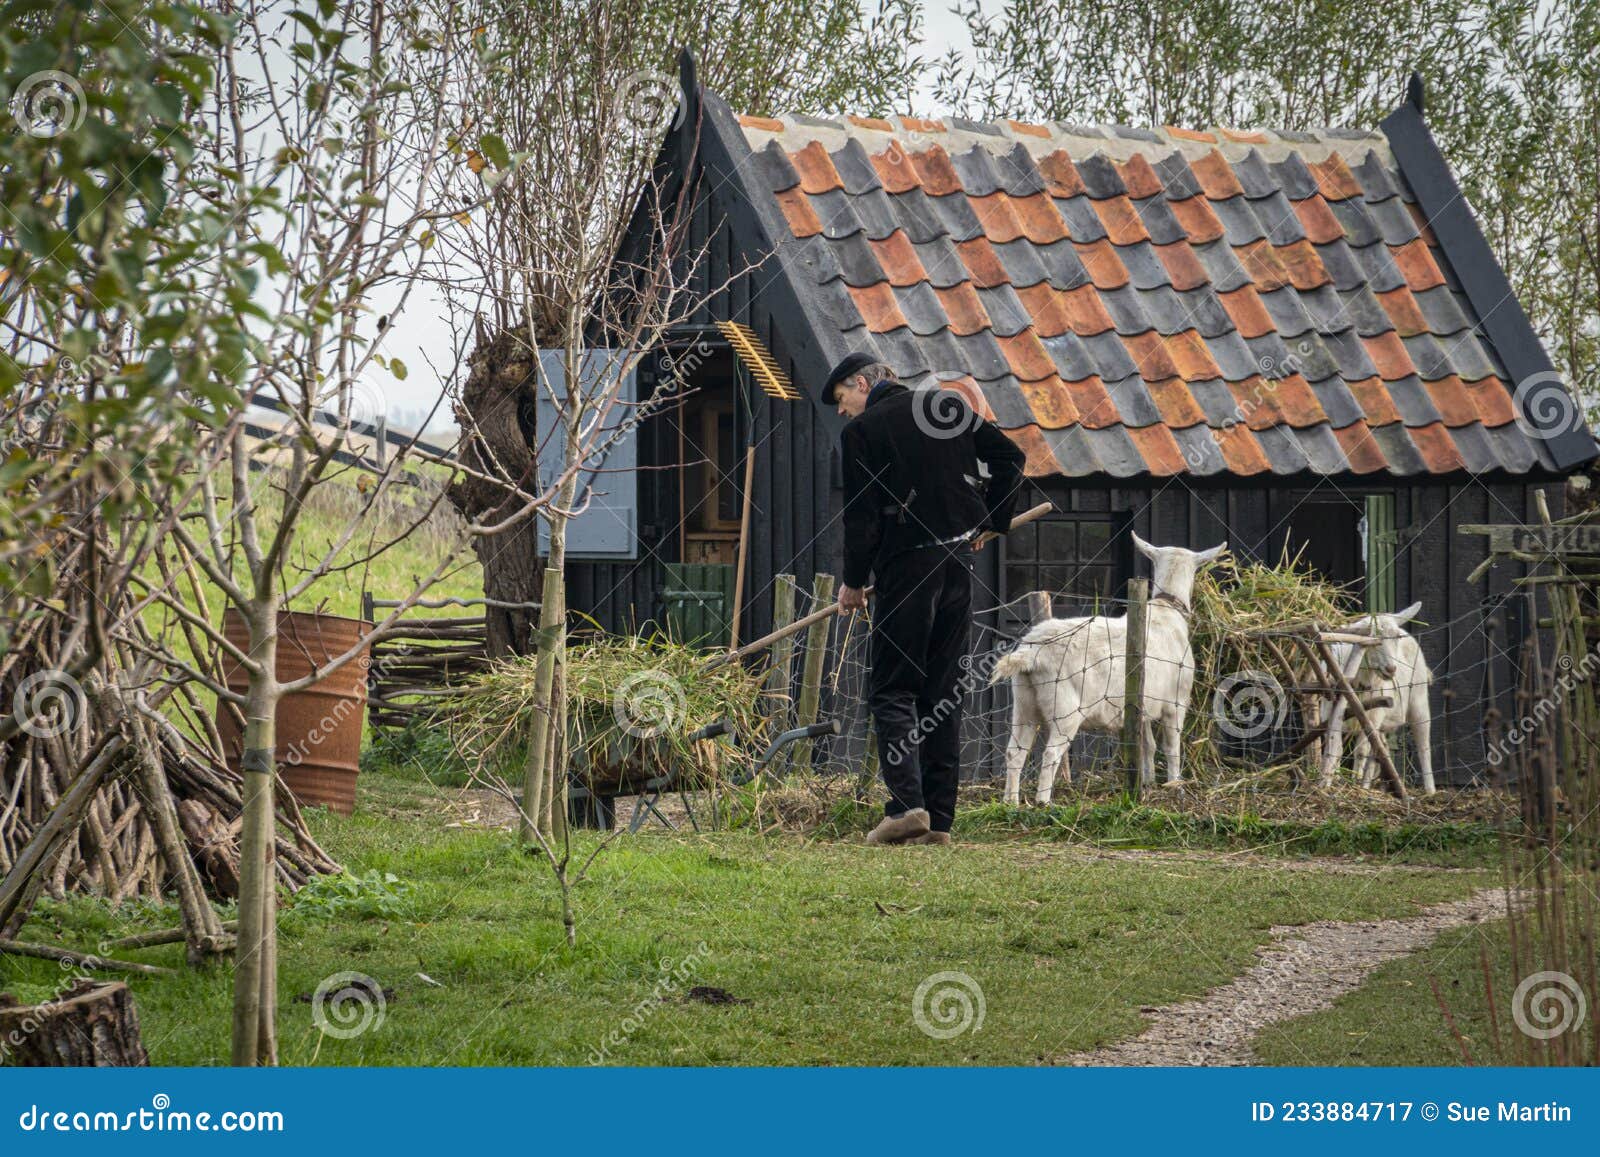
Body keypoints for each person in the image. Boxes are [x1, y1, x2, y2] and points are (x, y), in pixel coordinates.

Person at [822, 354, 1026, 846]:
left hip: (908, 567)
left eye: (841, 400)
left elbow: (862, 516)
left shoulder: (862, 432)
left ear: (862, 383)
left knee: (892, 690)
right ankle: (939, 820)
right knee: (942, 692)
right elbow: (1010, 458)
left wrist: (852, 581)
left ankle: (905, 807)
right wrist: (990, 520)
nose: (843, 412)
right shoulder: (944, 408)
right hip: (958, 562)